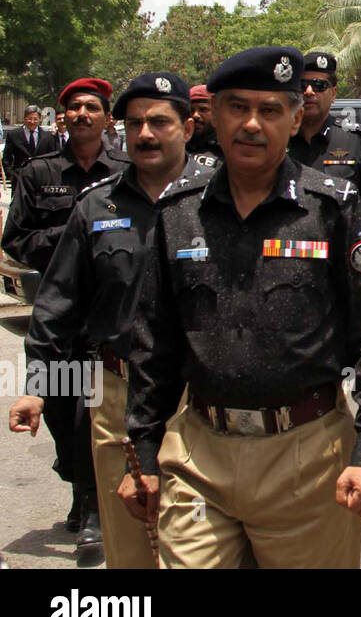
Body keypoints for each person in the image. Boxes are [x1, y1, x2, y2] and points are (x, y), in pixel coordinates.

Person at [120, 46, 361, 569]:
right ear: (213, 116)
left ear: (295, 118)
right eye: (237, 107)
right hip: (198, 454)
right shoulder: (179, 211)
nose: (252, 124)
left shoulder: (333, 207)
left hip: (308, 458)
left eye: (270, 110)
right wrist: (142, 454)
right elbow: (152, 341)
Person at [8, 72, 209, 569]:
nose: (146, 133)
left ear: (187, 126)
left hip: (202, 394)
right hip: (118, 390)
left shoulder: (222, 200)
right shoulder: (96, 205)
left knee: (198, 542)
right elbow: (58, 302)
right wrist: (36, 384)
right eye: (135, 122)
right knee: (130, 547)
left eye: (160, 122)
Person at [1, 77, 129, 551]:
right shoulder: (38, 173)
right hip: (59, 307)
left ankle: (95, 506)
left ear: (106, 117)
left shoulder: (127, 168)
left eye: (91, 107)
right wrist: (72, 237)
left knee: (94, 412)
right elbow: (15, 238)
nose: (81, 114)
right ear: (62, 118)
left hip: (111, 311)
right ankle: (78, 485)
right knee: (59, 410)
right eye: (73, 108)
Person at [287, 51, 361, 220]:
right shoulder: (278, 140)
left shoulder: (357, 140)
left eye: (319, 85)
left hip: (341, 242)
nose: (309, 92)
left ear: (333, 93)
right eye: (302, 85)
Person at [2, 105, 57, 184]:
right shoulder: (14, 135)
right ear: (24, 118)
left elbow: (52, 157)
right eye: (29, 119)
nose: (32, 122)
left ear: (40, 119)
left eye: (35, 119)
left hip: (42, 179)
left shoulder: (48, 136)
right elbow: (6, 157)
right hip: (19, 178)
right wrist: (11, 174)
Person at [186, 83, 222, 168]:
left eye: (203, 110)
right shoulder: (178, 148)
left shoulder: (228, 151)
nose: (195, 115)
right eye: (191, 110)